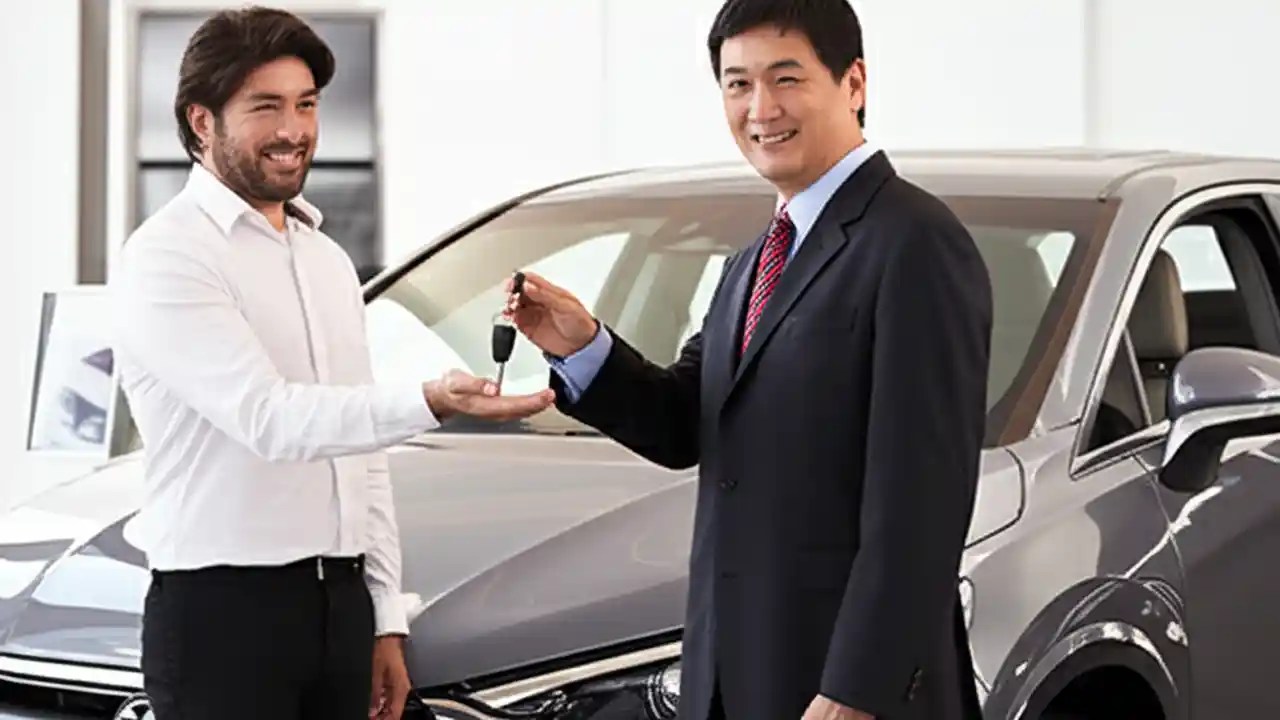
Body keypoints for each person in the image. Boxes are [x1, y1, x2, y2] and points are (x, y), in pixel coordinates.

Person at [505, 1, 991, 719]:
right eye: (737, 85)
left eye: (785, 78)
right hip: (738, 675)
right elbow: (687, 424)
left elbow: (921, 509)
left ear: (853, 82)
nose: (760, 108)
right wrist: (583, 347)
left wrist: (856, 690)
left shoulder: (913, 244)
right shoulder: (754, 260)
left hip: (843, 690)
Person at [110, 7, 554, 720]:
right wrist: (433, 398)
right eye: (266, 107)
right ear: (201, 121)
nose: (294, 129)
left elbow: (361, 453)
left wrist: (383, 615)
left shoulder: (325, 258)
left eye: (307, 104)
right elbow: (270, 419)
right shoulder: (168, 256)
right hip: (223, 618)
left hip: (338, 612)